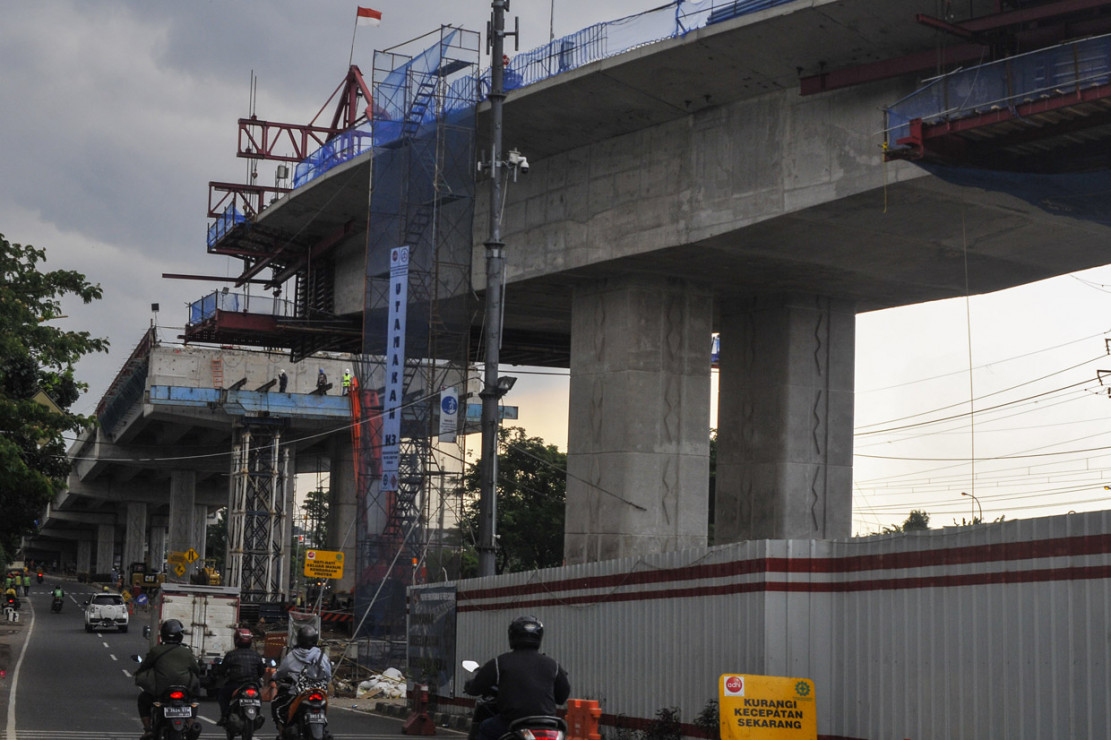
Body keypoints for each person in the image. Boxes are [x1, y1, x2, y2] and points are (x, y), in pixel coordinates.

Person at [464, 616, 570, 740]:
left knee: (485, 727)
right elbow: (562, 697)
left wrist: (469, 686)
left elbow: (476, 688)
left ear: (512, 636)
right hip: (548, 724)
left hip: (511, 722)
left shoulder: (500, 662)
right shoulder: (553, 665)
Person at [134, 619, 201, 740]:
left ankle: (148, 729)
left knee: (143, 699)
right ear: (180, 635)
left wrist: (138, 674)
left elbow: (145, 666)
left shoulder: (156, 651)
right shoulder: (187, 652)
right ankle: (190, 725)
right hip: (184, 690)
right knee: (193, 701)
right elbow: (196, 670)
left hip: (161, 691)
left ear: (163, 634)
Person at [271, 625, 332, 730]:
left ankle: (281, 732)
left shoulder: (292, 655)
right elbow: (328, 675)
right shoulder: (321, 655)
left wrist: (274, 676)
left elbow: (281, 672)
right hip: (318, 692)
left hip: (297, 693)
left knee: (276, 705)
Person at [217, 627, 265, 726]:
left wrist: (222, 675)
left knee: (222, 696)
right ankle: (258, 714)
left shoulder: (231, 655)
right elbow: (261, 671)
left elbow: (222, 670)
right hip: (253, 685)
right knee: (259, 698)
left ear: (236, 640)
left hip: (235, 685)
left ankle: (224, 717)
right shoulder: (256, 655)